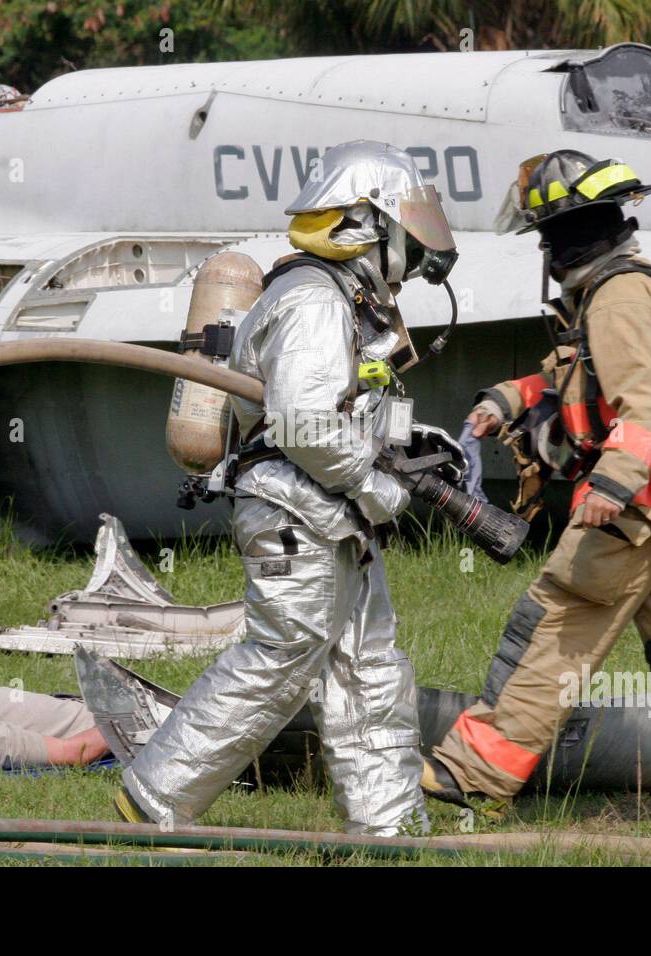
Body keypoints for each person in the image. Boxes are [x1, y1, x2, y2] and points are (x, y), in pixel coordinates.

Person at [421, 150, 651, 830]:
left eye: (546, 237)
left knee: (556, 622)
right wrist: (506, 398)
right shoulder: (628, 288)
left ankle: (471, 777)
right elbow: (578, 379)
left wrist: (611, 483)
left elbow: (648, 403)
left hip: (641, 504)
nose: (545, 251)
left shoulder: (617, 298)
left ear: (564, 237)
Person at [116, 140, 460, 836]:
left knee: (367, 668)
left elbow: (340, 409)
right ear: (367, 223)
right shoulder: (312, 299)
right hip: (297, 513)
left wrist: (410, 445)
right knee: (279, 661)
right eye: (409, 219)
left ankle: (388, 828)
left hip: (329, 516)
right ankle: (153, 800)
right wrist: (375, 486)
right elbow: (304, 424)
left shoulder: (343, 298)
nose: (420, 240)